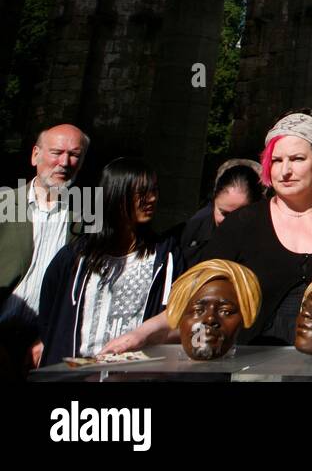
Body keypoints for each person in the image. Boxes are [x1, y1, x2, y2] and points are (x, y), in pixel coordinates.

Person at [106, 110, 312, 351]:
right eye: (276, 161)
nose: (285, 171)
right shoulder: (242, 224)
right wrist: (141, 335)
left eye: (298, 159)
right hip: (253, 370)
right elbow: (193, 302)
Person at [37, 157, 179, 363]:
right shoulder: (75, 258)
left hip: (136, 373)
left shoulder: (166, 257)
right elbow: (49, 316)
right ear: (116, 194)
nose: (151, 199)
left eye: (154, 190)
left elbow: (179, 316)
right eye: (142, 193)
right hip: (74, 372)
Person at [0, 124, 88, 377]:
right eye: (56, 152)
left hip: (45, 347)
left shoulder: (88, 218)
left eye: (74, 155)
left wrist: (49, 338)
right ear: (35, 155)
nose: (65, 162)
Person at [177, 160, 262, 270]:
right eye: (224, 213)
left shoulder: (264, 238)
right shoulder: (194, 230)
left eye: (239, 214)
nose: (230, 221)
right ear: (214, 201)